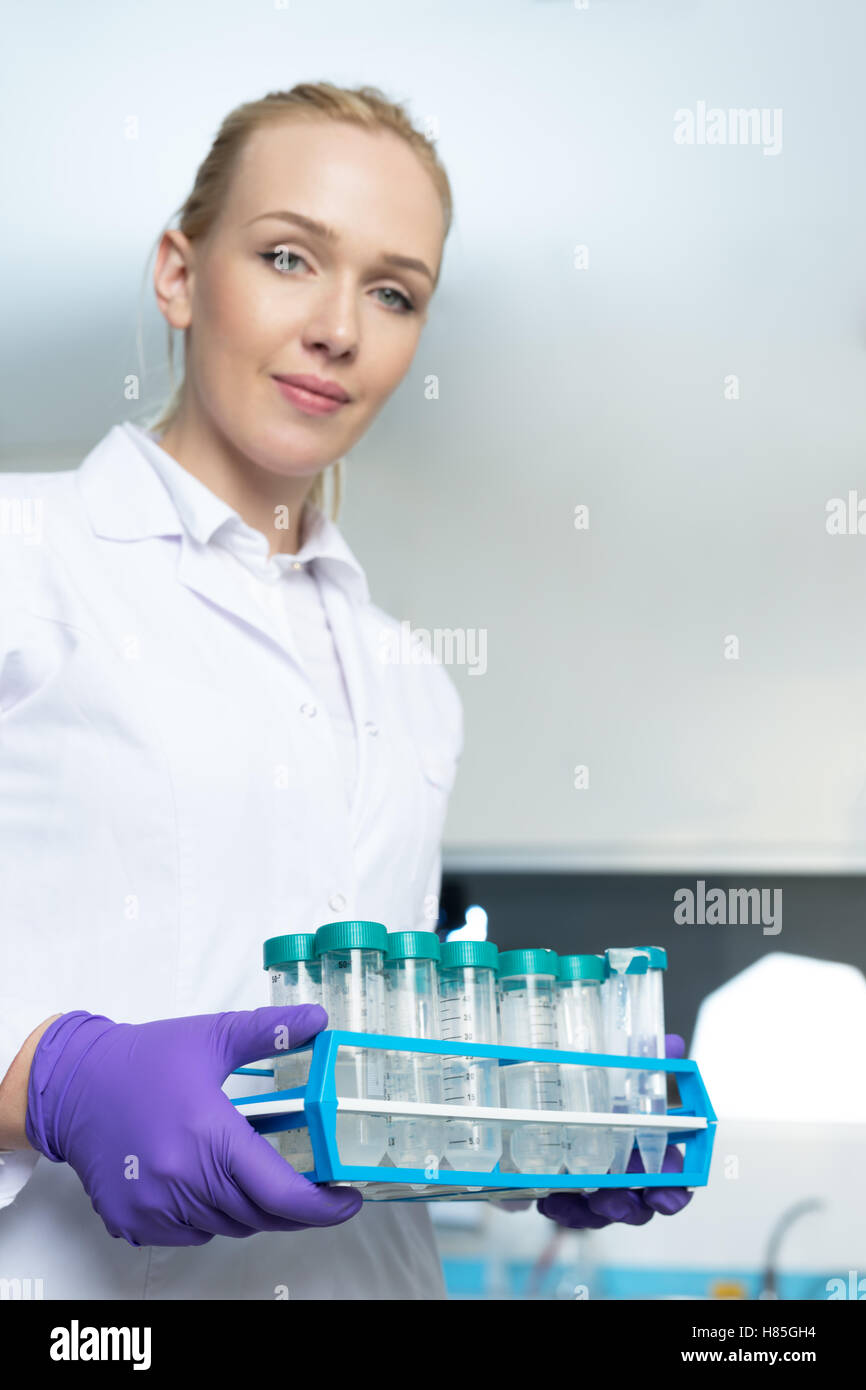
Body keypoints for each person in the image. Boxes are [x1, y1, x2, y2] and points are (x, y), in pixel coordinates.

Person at [0, 80, 690, 1301]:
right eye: (285, 256)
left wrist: (528, 1129)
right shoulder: (22, 555)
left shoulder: (412, 683)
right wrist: (44, 1080)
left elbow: (361, 1081)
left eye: (392, 292)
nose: (338, 329)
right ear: (177, 273)